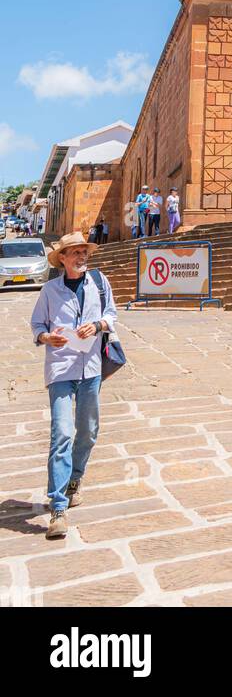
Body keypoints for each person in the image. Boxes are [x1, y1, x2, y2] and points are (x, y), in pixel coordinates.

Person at [30, 227, 118, 541]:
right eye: (75, 253)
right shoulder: (50, 291)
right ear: (63, 259)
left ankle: (74, 479)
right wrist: (45, 337)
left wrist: (96, 325)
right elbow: (37, 324)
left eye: (84, 252)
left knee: (89, 430)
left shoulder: (99, 282)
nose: (81, 257)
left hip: (91, 368)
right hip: (60, 369)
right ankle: (57, 506)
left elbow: (112, 314)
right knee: (62, 432)